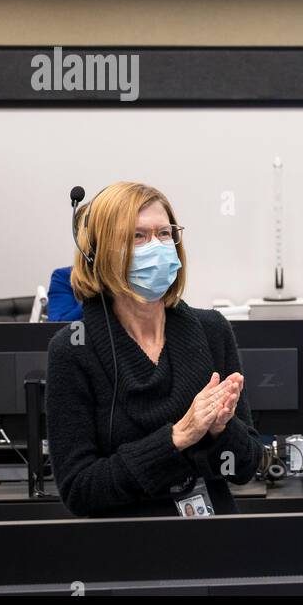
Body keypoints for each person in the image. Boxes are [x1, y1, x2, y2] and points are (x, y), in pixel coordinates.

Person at [46, 181, 262, 517]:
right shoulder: (72, 350)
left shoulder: (212, 330)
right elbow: (80, 489)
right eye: (137, 236)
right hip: (125, 544)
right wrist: (177, 437)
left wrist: (222, 429)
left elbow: (245, 469)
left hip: (213, 532)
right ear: (99, 251)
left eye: (164, 233)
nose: (157, 247)